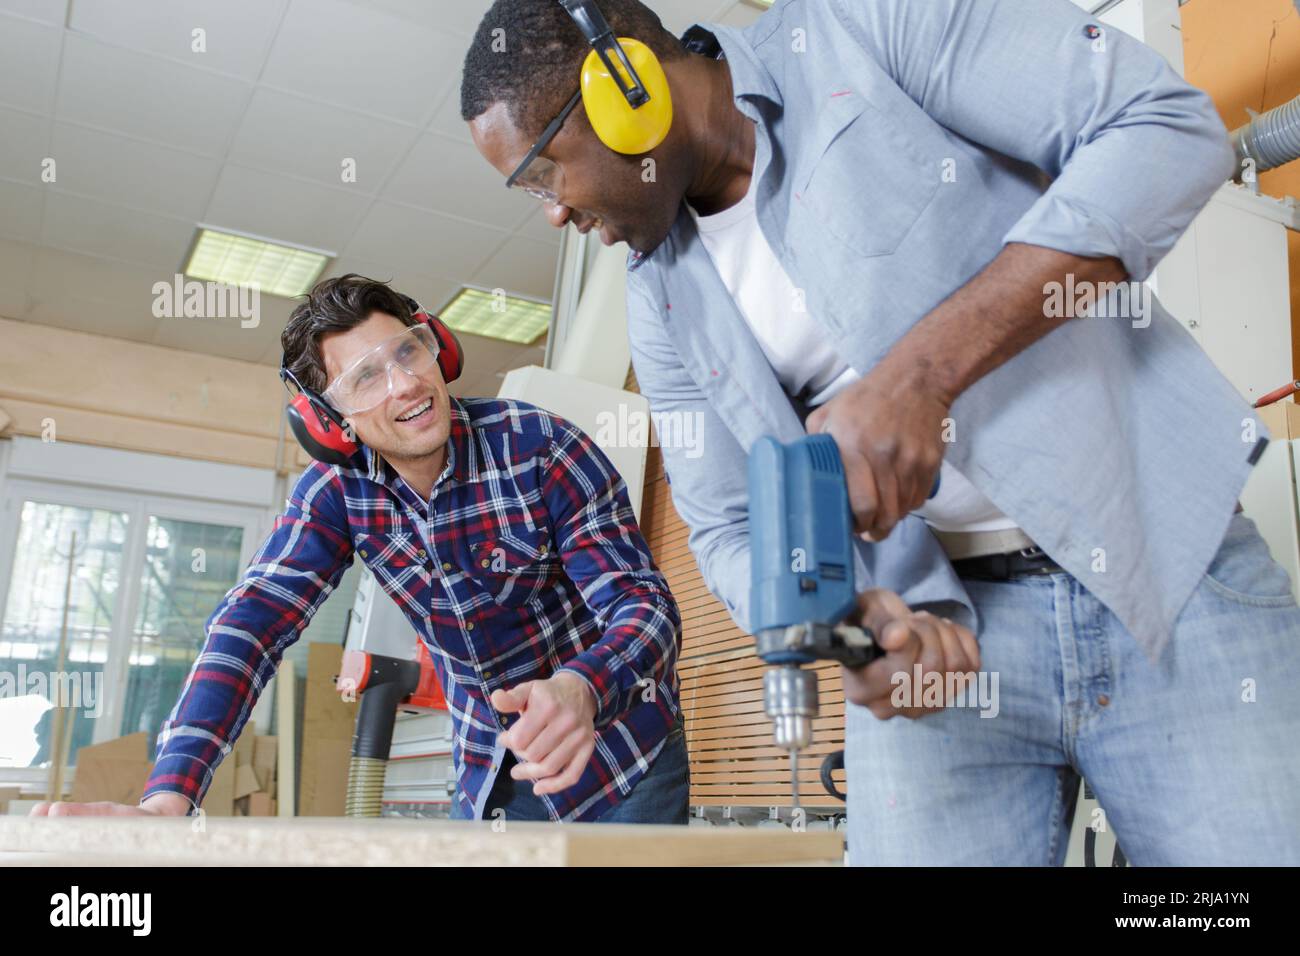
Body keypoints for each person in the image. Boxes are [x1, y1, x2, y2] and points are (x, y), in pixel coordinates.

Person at [463, 0, 1300, 863]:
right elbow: (726, 526)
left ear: (623, 86)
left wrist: (922, 374)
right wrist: (848, 625)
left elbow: (1164, 129)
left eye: (540, 172)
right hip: (943, 646)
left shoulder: (861, 27)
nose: (552, 215)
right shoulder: (659, 295)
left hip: (1163, 561)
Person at [31, 275, 687, 824]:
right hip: (492, 771)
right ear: (328, 421)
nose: (403, 385)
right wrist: (169, 798)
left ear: (438, 349)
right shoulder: (336, 493)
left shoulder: (543, 446)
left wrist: (583, 685)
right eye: (366, 378)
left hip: (622, 754)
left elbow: (643, 604)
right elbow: (251, 623)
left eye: (407, 353)